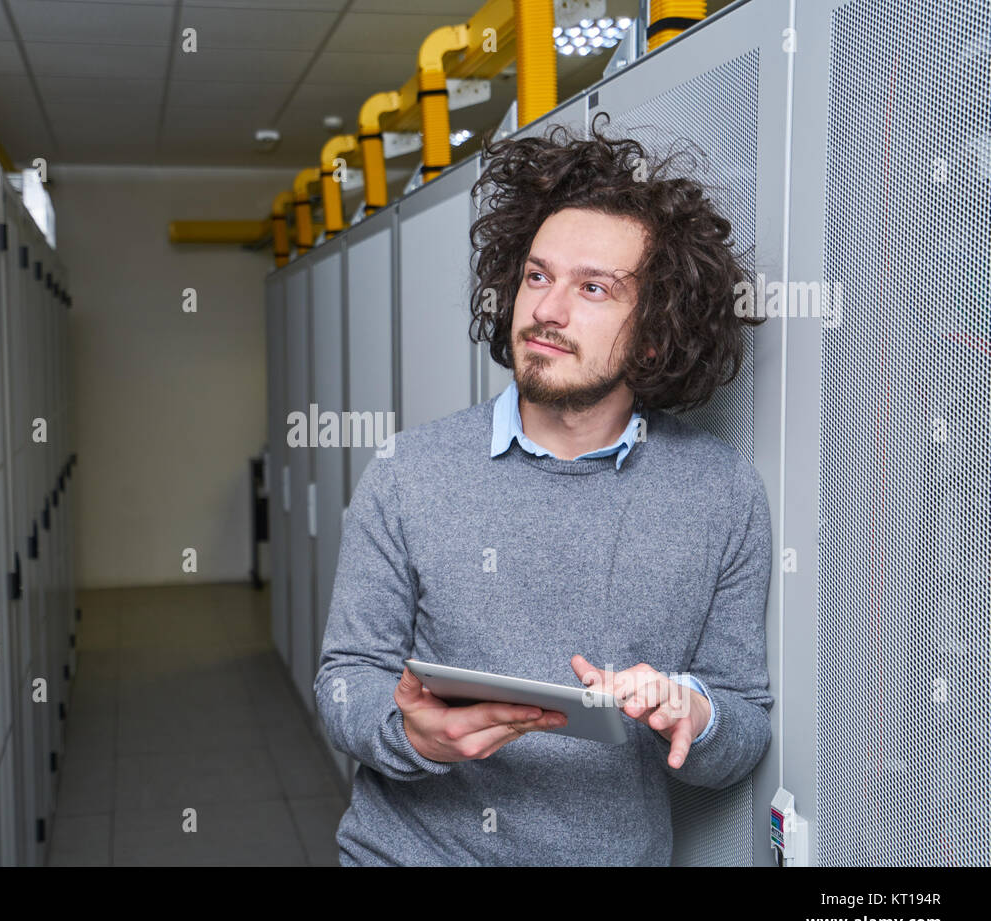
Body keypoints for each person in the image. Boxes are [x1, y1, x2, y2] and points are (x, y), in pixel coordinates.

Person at [313, 118, 774, 865]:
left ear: (655, 333)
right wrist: (408, 733)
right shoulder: (409, 470)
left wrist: (696, 713)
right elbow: (344, 681)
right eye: (537, 275)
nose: (547, 311)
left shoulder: (722, 494)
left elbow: (743, 723)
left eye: (593, 287)